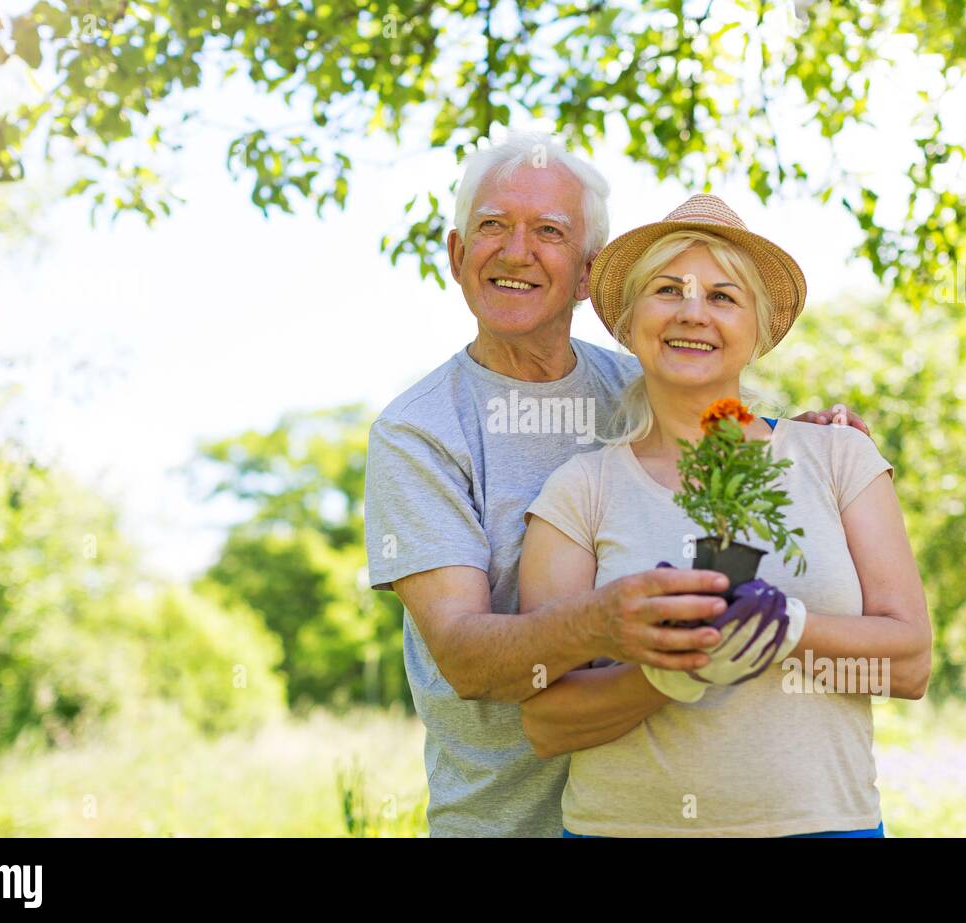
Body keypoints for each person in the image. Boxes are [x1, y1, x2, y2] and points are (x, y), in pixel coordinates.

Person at [364, 132, 872, 837]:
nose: (515, 252)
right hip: (504, 819)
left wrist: (809, 441)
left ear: (585, 273)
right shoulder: (420, 432)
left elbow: (734, 435)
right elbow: (464, 657)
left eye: (548, 232)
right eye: (491, 227)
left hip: (645, 813)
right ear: (456, 254)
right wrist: (608, 621)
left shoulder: (633, 383)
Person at [517, 194, 932, 837]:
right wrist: (670, 675)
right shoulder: (578, 493)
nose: (692, 312)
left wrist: (788, 630)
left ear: (758, 332)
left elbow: (908, 668)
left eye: (723, 296)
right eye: (667, 289)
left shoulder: (838, 457)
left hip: (822, 826)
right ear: (629, 323)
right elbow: (546, 721)